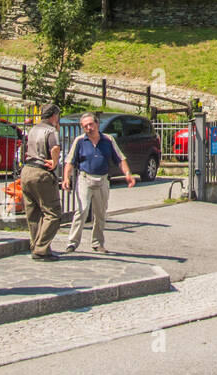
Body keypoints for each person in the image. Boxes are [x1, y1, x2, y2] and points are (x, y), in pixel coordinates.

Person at [62, 112, 135, 254]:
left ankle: (97, 243)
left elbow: (120, 158)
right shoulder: (79, 141)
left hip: (102, 180)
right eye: (85, 126)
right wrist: (66, 178)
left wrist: (127, 174)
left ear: (97, 124)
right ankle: (72, 243)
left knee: (100, 213)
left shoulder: (108, 140)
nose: (89, 128)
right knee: (81, 211)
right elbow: (69, 161)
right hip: (85, 179)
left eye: (91, 124)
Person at [21, 103, 64, 260]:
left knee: (33, 212)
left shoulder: (33, 129)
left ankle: (35, 243)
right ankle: (41, 248)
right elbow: (55, 148)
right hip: (41, 172)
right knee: (53, 213)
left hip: (27, 170)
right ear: (54, 116)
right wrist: (54, 162)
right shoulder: (51, 130)